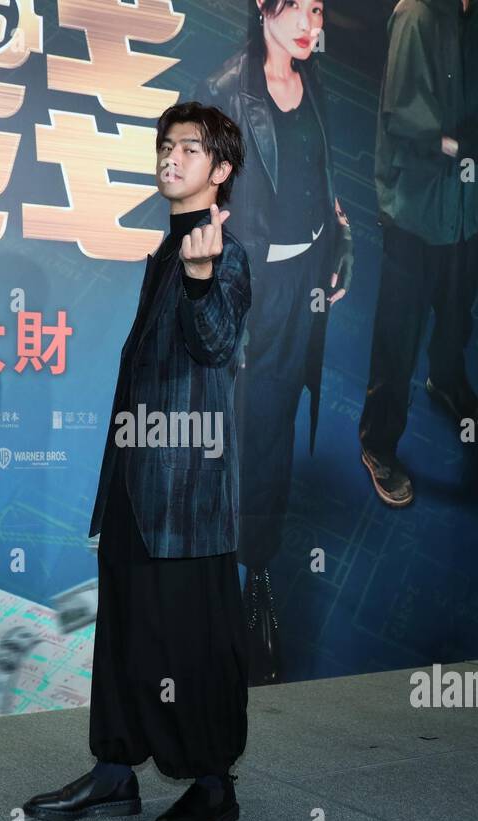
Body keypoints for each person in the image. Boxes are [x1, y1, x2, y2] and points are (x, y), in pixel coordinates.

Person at [23, 102, 253, 821]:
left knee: (192, 640)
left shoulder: (222, 251)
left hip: (188, 494)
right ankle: (116, 774)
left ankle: (215, 785)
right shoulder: (164, 250)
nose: (170, 158)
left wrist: (200, 276)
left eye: (190, 149)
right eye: (165, 146)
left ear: (219, 172)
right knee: (123, 634)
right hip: (134, 484)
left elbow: (216, 341)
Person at [195, 0, 353, 683]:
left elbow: (322, 184)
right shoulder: (227, 91)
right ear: (265, 9)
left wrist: (338, 245)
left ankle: (257, 574)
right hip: (250, 291)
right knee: (240, 426)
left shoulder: (312, 85)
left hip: (302, 288)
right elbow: (196, 198)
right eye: (301, 10)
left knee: (279, 422)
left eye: (319, 10)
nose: (313, 24)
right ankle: (212, 587)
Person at [360, 0, 478, 507]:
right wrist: (462, 146)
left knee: (458, 307)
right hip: (416, 210)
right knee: (398, 332)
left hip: (468, 206)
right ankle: (378, 443)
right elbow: (402, 119)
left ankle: (445, 378)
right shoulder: (417, 16)